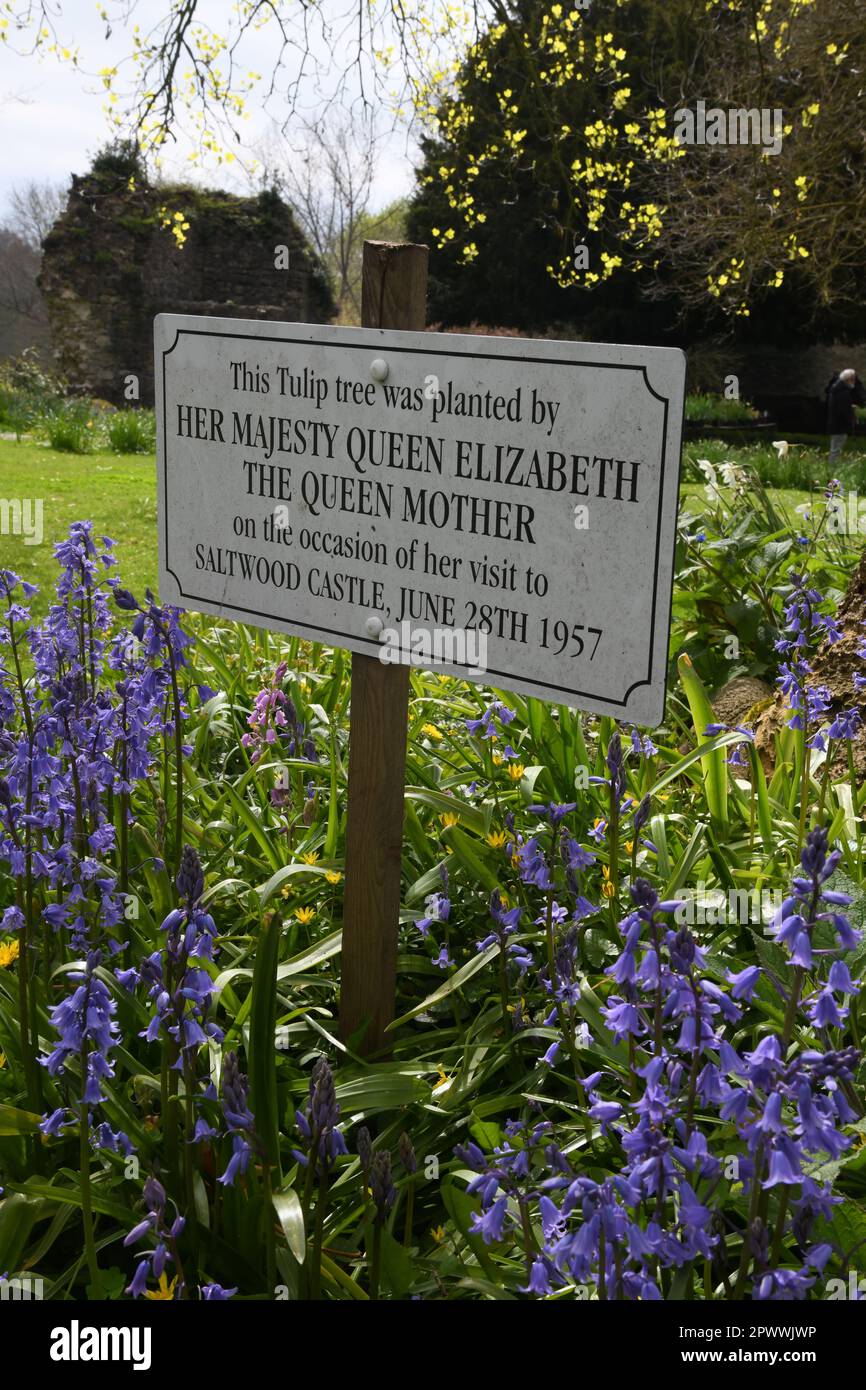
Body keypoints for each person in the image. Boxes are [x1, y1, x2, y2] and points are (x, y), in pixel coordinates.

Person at [827, 367, 866, 464]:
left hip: (836, 424)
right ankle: (832, 470)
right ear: (848, 379)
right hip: (839, 425)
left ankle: (833, 468)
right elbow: (843, 410)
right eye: (853, 379)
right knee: (836, 449)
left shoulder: (838, 389)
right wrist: (851, 418)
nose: (853, 382)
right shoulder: (842, 392)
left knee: (836, 448)